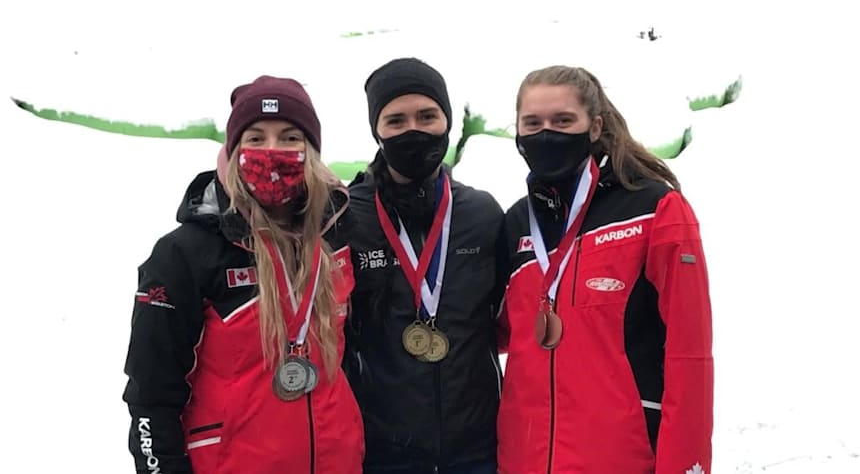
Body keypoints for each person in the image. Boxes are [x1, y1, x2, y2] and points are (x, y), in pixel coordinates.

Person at [122, 75, 364, 474]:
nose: (273, 150)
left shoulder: (337, 235)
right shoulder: (184, 254)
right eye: (255, 138)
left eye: (290, 138)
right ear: (234, 150)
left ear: (311, 151)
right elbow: (151, 395)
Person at [496, 65, 713, 473]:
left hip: (622, 458)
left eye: (563, 121)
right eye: (533, 123)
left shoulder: (654, 209)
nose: (547, 134)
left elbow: (690, 355)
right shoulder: (516, 223)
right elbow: (498, 333)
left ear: (594, 127)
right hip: (524, 460)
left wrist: (686, 465)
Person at [342, 57, 505, 474]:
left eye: (427, 116)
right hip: (381, 454)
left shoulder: (482, 214)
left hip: (477, 451)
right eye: (395, 121)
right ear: (376, 131)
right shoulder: (346, 217)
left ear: (447, 122)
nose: (413, 130)